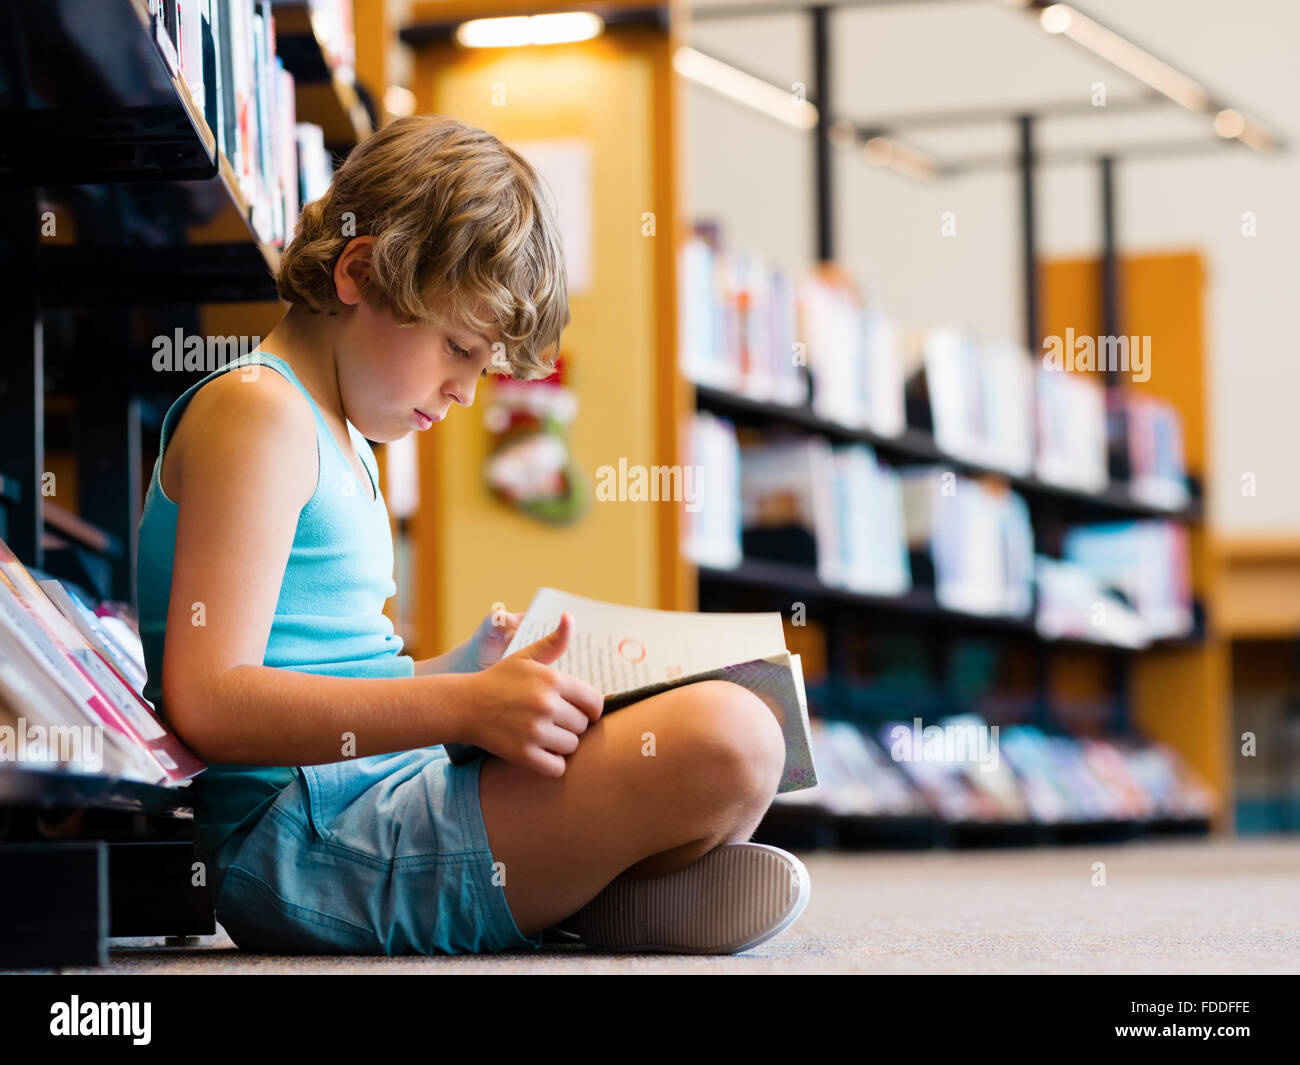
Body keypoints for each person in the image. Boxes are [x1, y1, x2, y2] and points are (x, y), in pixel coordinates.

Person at [135, 114, 810, 956]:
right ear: (360, 269)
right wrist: (460, 705)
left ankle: (571, 896)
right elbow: (211, 700)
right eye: (457, 346)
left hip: (365, 790)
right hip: (301, 839)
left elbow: (321, 668)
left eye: (480, 366)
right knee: (731, 741)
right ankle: (584, 896)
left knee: (738, 735)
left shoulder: (336, 430)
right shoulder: (258, 412)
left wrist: (459, 673)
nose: (461, 393)